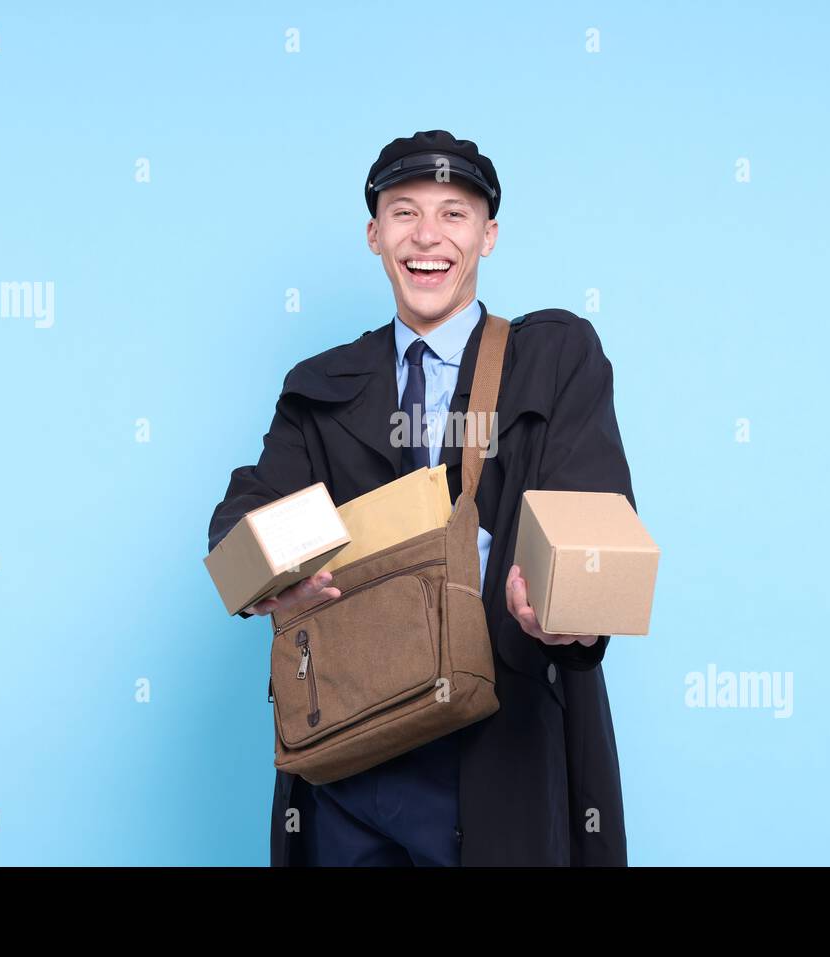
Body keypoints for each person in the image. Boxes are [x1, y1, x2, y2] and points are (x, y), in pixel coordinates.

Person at [208, 130, 635, 866]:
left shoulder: (553, 358)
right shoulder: (320, 388)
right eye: (404, 213)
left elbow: (588, 513)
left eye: (454, 214)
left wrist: (572, 610)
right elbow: (244, 522)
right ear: (375, 234)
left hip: (504, 744)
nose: (427, 236)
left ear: (489, 236)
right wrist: (270, 576)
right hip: (354, 762)